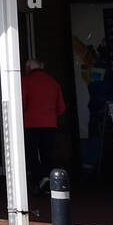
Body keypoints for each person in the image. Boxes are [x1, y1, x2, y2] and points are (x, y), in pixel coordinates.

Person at [21, 59, 66, 189]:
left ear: (29, 68)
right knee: (48, 154)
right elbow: (62, 108)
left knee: (33, 154)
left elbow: (22, 104)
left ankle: (37, 182)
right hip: (50, 124)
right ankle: (49, 180)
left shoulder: (26, 82)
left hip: (31, 124)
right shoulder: (53, 83)